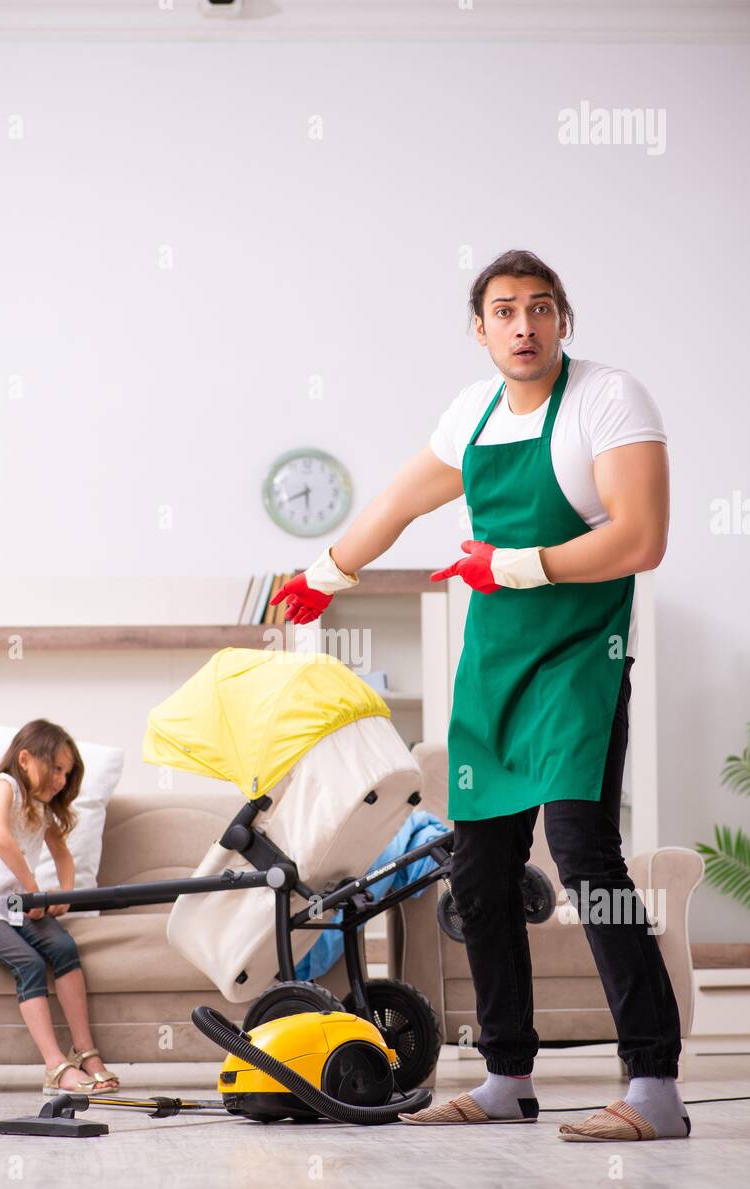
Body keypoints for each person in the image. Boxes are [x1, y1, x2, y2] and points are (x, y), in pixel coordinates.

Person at [271, 247, 689, 1142]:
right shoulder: (472, 413)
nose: (523, 325)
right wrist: (324, 572)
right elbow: (397, 501)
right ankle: (507, 1076)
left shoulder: (608, 399)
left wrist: (506, 563)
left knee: (582, 852)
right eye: (504, 310)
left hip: (580, 653)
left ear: (562, 321)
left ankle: (652, 1084)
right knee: (480, 871)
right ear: (480, 328)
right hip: (493, 661)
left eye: (540, 308)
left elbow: (639, 539)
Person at [0, 719, 119, 1096]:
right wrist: (33, 888)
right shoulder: (2, 787)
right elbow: (0, 836)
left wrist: (66, 893)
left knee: (64, 948)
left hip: (13, 907)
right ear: (24, 758)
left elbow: (62, 854)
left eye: (67, 773)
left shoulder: (41, 809)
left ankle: (85, 1051)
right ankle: (55, 1066)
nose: (60, 779)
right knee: (28, 963)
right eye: (56, 768)